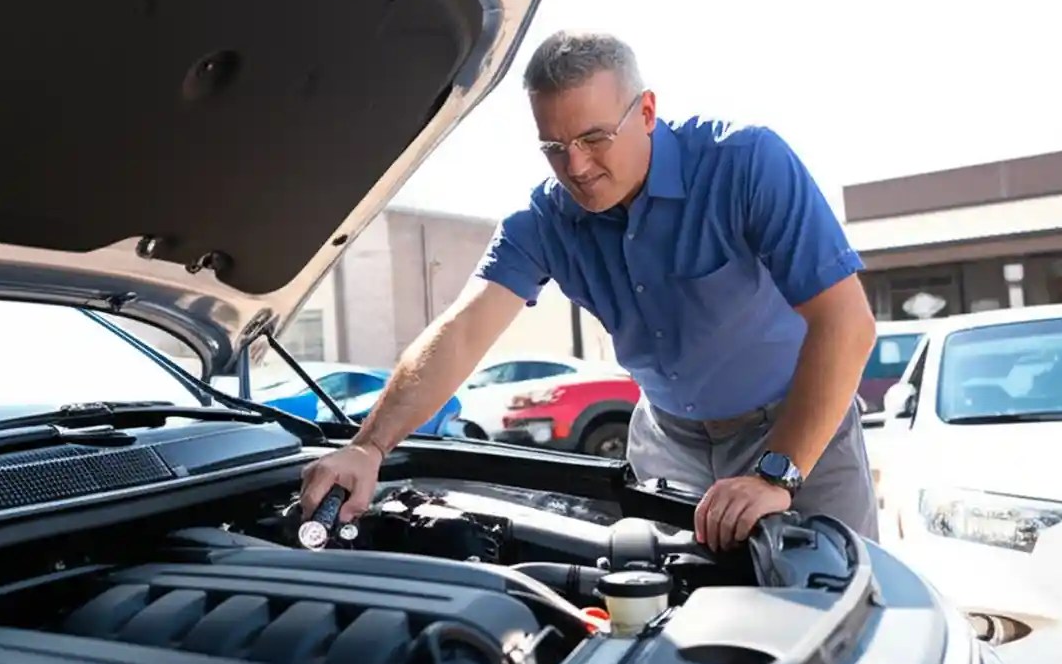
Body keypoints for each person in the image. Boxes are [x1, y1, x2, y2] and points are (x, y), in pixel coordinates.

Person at [300, 30, 880, 551]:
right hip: (668, 444)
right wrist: (368, 447)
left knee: (841, 613)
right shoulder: (545, 222)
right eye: (554, 147)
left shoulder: (747, 164)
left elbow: (847, 324)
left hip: (801, 428)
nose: (575, 166)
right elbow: (461, 331)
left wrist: (777, 472)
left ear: (647, 111)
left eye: (594, 137)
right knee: (675, 618)